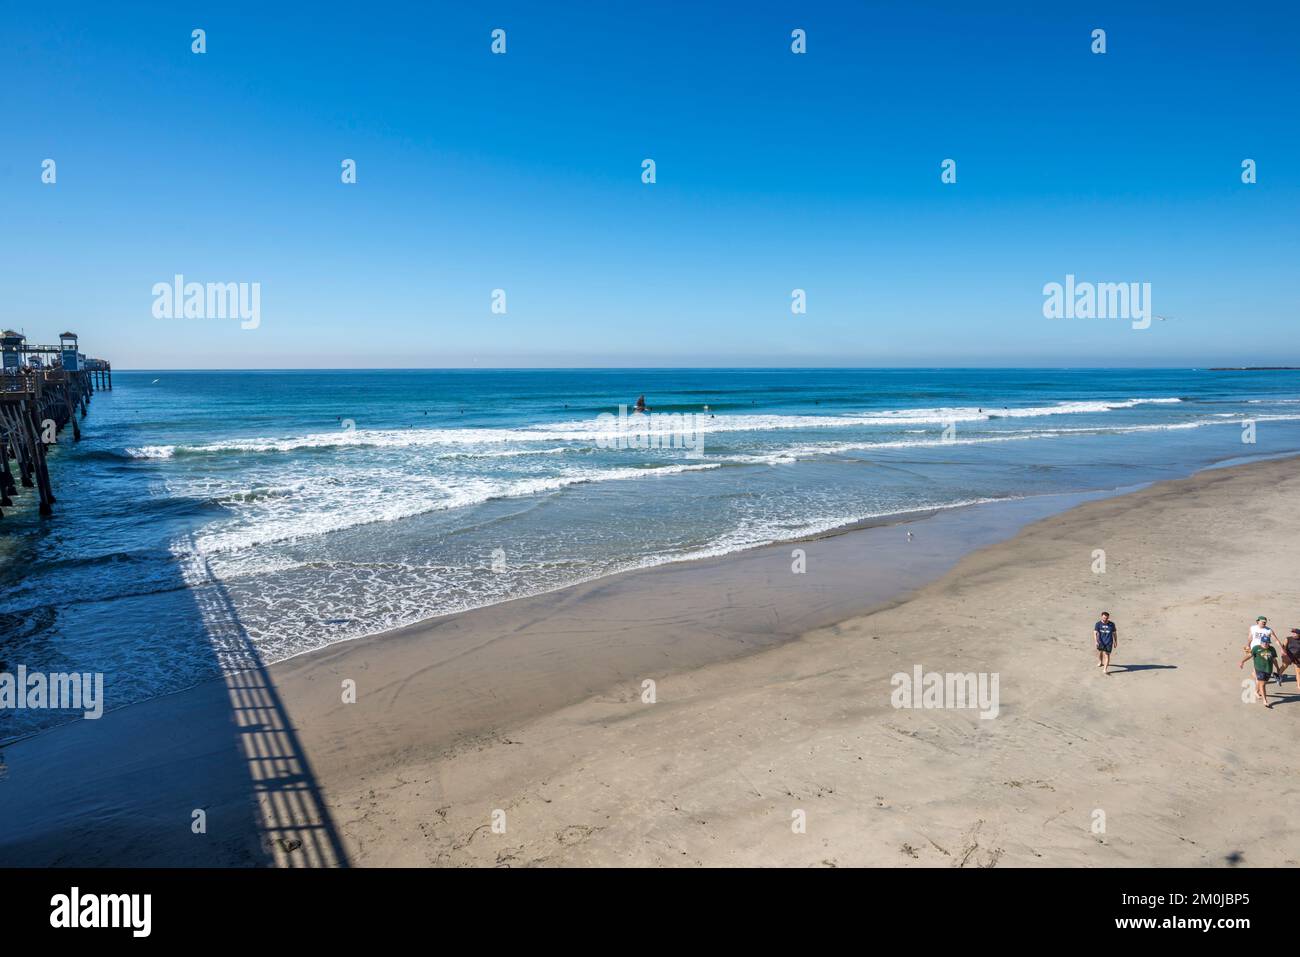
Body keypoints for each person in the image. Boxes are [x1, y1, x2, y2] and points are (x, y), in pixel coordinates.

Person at [1241, 638, 1280, 708]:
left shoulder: (1272, 649)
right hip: (1259, 669)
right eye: (1263, 642)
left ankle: (1256, 691)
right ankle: (1265, 701)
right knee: (1262, 684)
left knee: (1262, 683)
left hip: (1268, 670)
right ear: (1261, 642)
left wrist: (1277, 668)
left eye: (1267, 642)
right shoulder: (1256, 648)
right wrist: (1242, 661)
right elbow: (1250, 655)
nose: (1265, 644)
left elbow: (1274, 659)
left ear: (1269, 643)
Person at [1246, 616, 1283, 683]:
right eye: (1262, 621)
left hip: (1265, 650)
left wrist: (1281, 649)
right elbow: (1250, 637)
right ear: (1257, 621)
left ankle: (1259, 679)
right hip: (1255, 650)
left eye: (1265, 622)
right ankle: (1259, 681)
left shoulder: (1268, 630)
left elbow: (1276, 640)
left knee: (1264, 664)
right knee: (1257, 665)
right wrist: (1248, 645)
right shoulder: (1253, 628)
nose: (1264, 623)